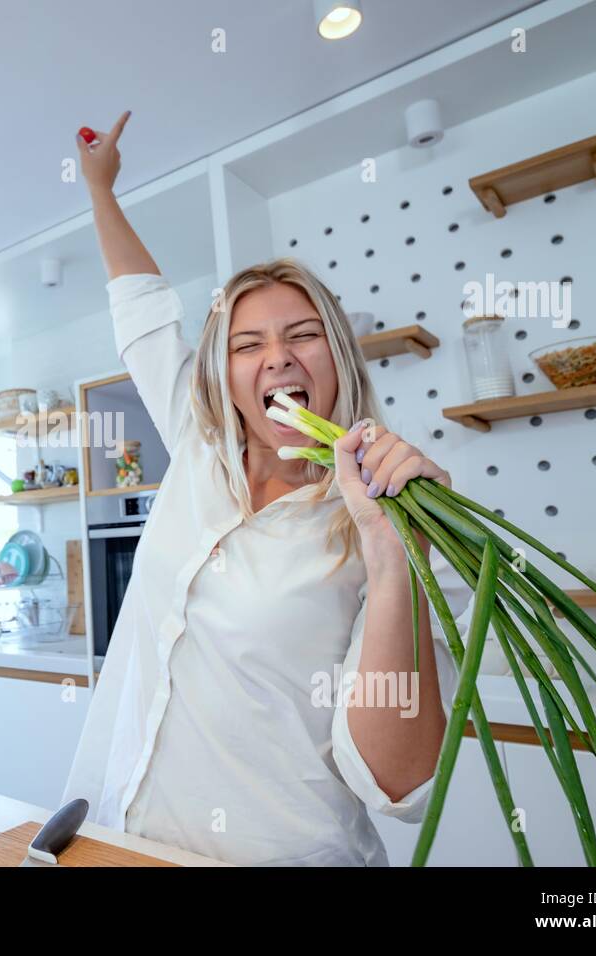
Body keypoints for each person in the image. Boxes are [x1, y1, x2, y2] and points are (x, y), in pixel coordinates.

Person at [61, 112, 478, 866]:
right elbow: (144, 312)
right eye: (247, 345)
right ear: (222, 375)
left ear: (339, 358)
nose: (276, 359)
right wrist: (101, 187)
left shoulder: (394, 521)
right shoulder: (199, 448)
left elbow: (400, 785)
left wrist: (394, 558)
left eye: (303, 335)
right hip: (126, 839)